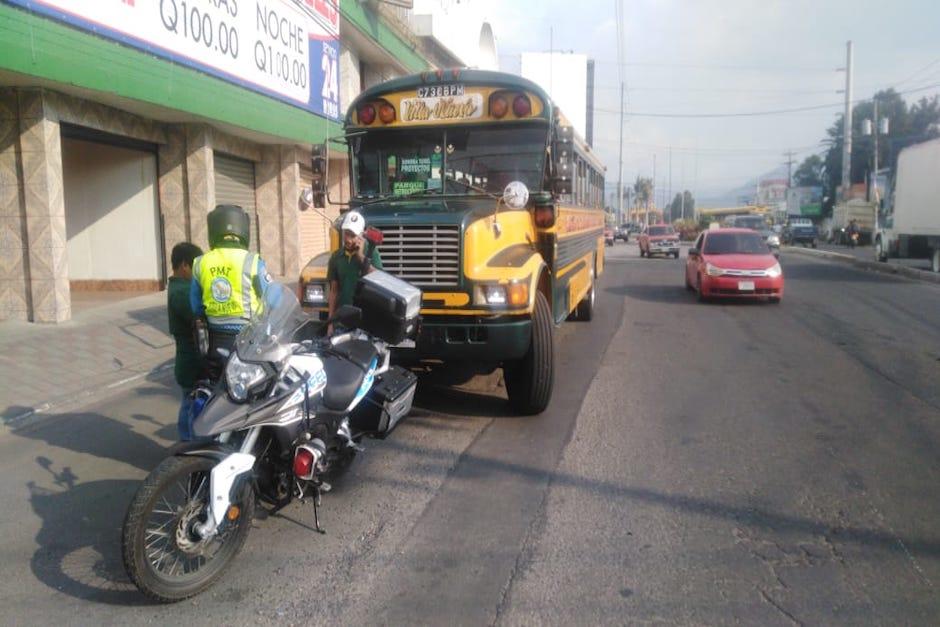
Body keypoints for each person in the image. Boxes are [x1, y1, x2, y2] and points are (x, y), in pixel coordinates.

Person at [190, 204, 273, 379]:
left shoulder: (200, 263)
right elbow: (273, 297)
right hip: (248, 338)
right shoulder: (253, 261)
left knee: (214, 385)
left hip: (214, 338)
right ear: (243, 230)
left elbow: (195, 305)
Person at [167, 241, 204, 441]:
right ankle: (187, 447)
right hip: (190, 360)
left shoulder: (181, 287)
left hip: (188, 359)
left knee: (189, 401)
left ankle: (187, 444)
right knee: (191, 404)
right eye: (195, 268)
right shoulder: (182, 292)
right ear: (184, 266)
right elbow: (199, 315)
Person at [327, 210, 382, 323]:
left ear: (361, 235)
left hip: (365, 319)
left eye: (352, 235)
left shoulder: (371, 252)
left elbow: (380, 279)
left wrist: (360, 256)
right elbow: (334, 291)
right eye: (346, 233)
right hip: (342, 318)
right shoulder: (336, 257)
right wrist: (330, 322)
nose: (347, 239)